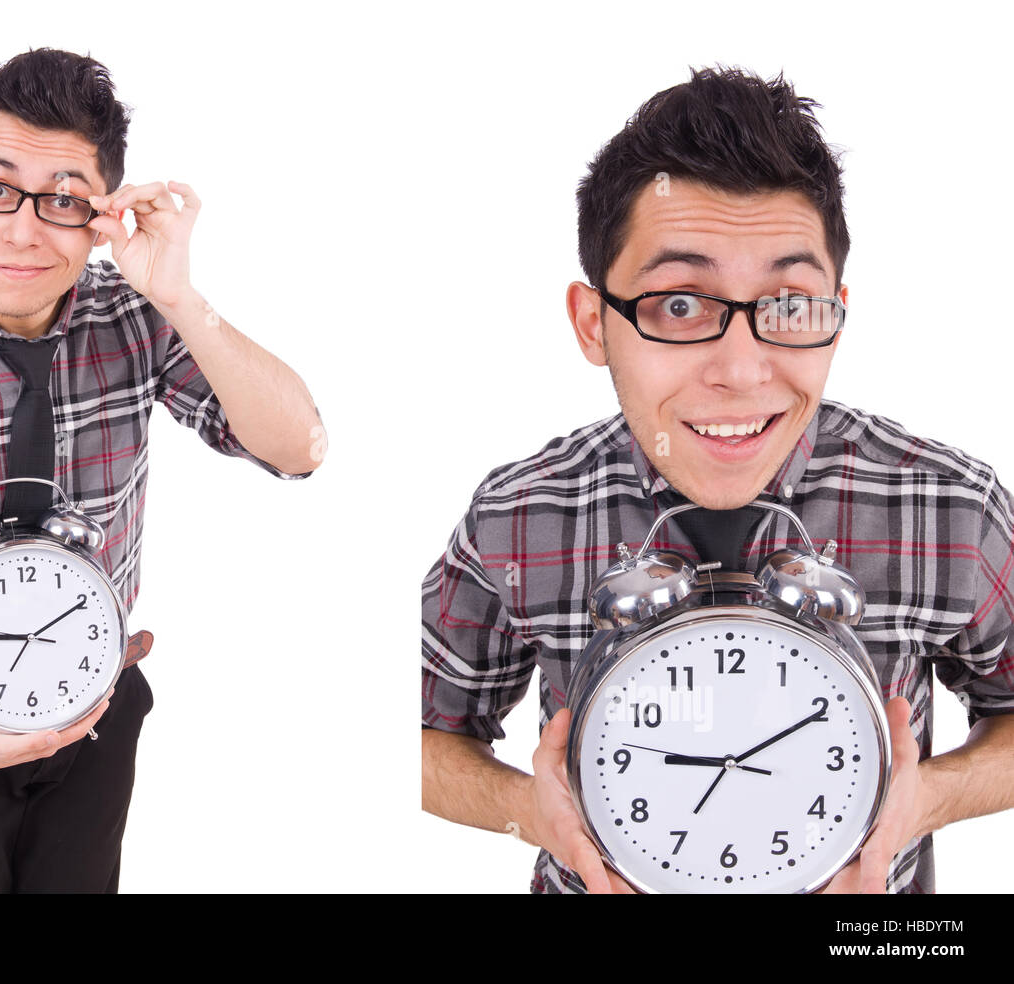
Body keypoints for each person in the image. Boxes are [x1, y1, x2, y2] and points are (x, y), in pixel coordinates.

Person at [420, 65, 1014, 894]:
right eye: (678, 305)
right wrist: (529, 810)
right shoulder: (519, 515)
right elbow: (415, 733)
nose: (742, 371)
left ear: (835, 312)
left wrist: (924, 800)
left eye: (790, 305)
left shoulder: (948, 507)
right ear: (595, 323)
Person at [0, 48, 324, 893]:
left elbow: (300, 447)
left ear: (102, 214)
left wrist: (180, 295)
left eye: (63, 200)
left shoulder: (135, 318)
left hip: (97, 702)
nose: (23, 229)